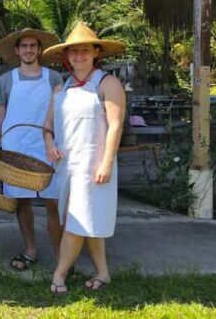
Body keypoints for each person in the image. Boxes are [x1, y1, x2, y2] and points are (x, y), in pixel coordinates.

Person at [41, 22, 126, 294]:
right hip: (67, 166)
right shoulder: (62, 88)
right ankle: (103, 272)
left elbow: (115, 125)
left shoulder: (107, 82)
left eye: (85, 50)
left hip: (94, 165)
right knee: (87, 220)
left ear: (96, 53)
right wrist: (50, 143)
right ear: (66, 56)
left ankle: (59, 274)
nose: (79, 56)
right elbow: (47, 127)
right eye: (73, 51)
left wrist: (106, 162)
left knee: (78, 223)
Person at [0, 28, 63, 272]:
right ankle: (30, 249)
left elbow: (61, 113)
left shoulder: (53, 78)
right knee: (22, 201)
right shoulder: (7, 80)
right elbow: (0, 114)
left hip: (47, 146)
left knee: (53, 201)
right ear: (17, 51)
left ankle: (62, 255)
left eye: (33, 46)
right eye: (24, 46)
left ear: (39, 50)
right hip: (16, 145)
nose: (29, 50)